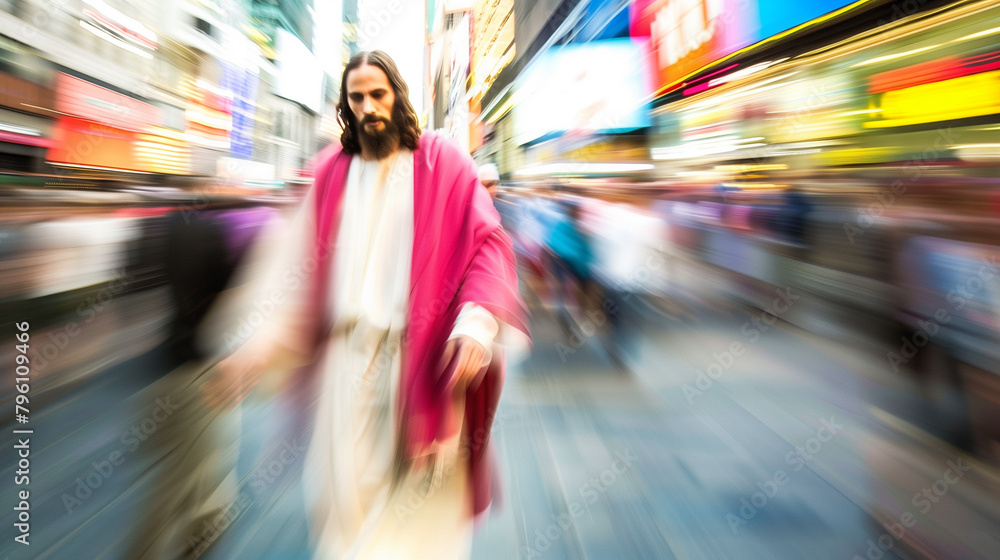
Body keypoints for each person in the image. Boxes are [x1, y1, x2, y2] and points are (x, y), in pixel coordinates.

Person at [204, 50, 529, 560]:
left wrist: (476, 324)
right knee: (345, 509)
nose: (369, 106)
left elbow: (488, 247)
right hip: (344, 370)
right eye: (357, 97)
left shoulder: (442, 161)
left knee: (419, 521)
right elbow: (293, 281)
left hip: (418, 366)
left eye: (378, 94)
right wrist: (253, 350)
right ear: (345, 106)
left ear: (398, 95)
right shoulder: (330, 174)